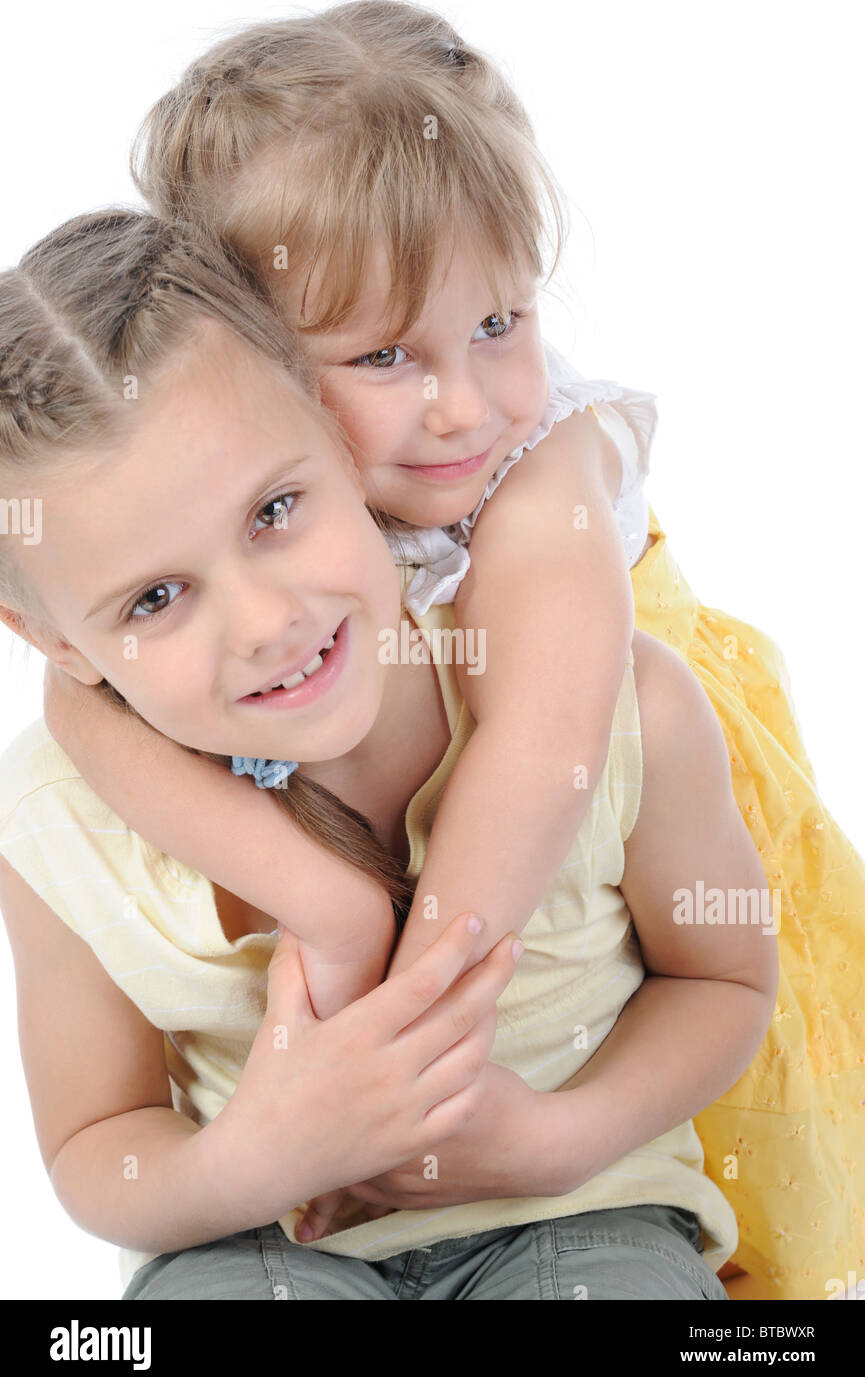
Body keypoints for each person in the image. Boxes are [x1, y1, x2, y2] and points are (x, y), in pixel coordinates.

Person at [44, 1, 865, 1297]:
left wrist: (411, 1020)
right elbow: (79, 708)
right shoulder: (230, 511)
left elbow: (542, 751)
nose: (466, 405)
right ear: (239, 345)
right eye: (382, 354)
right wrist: (316, 903)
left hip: (591, 795)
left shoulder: (543, 475)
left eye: (502, 322)